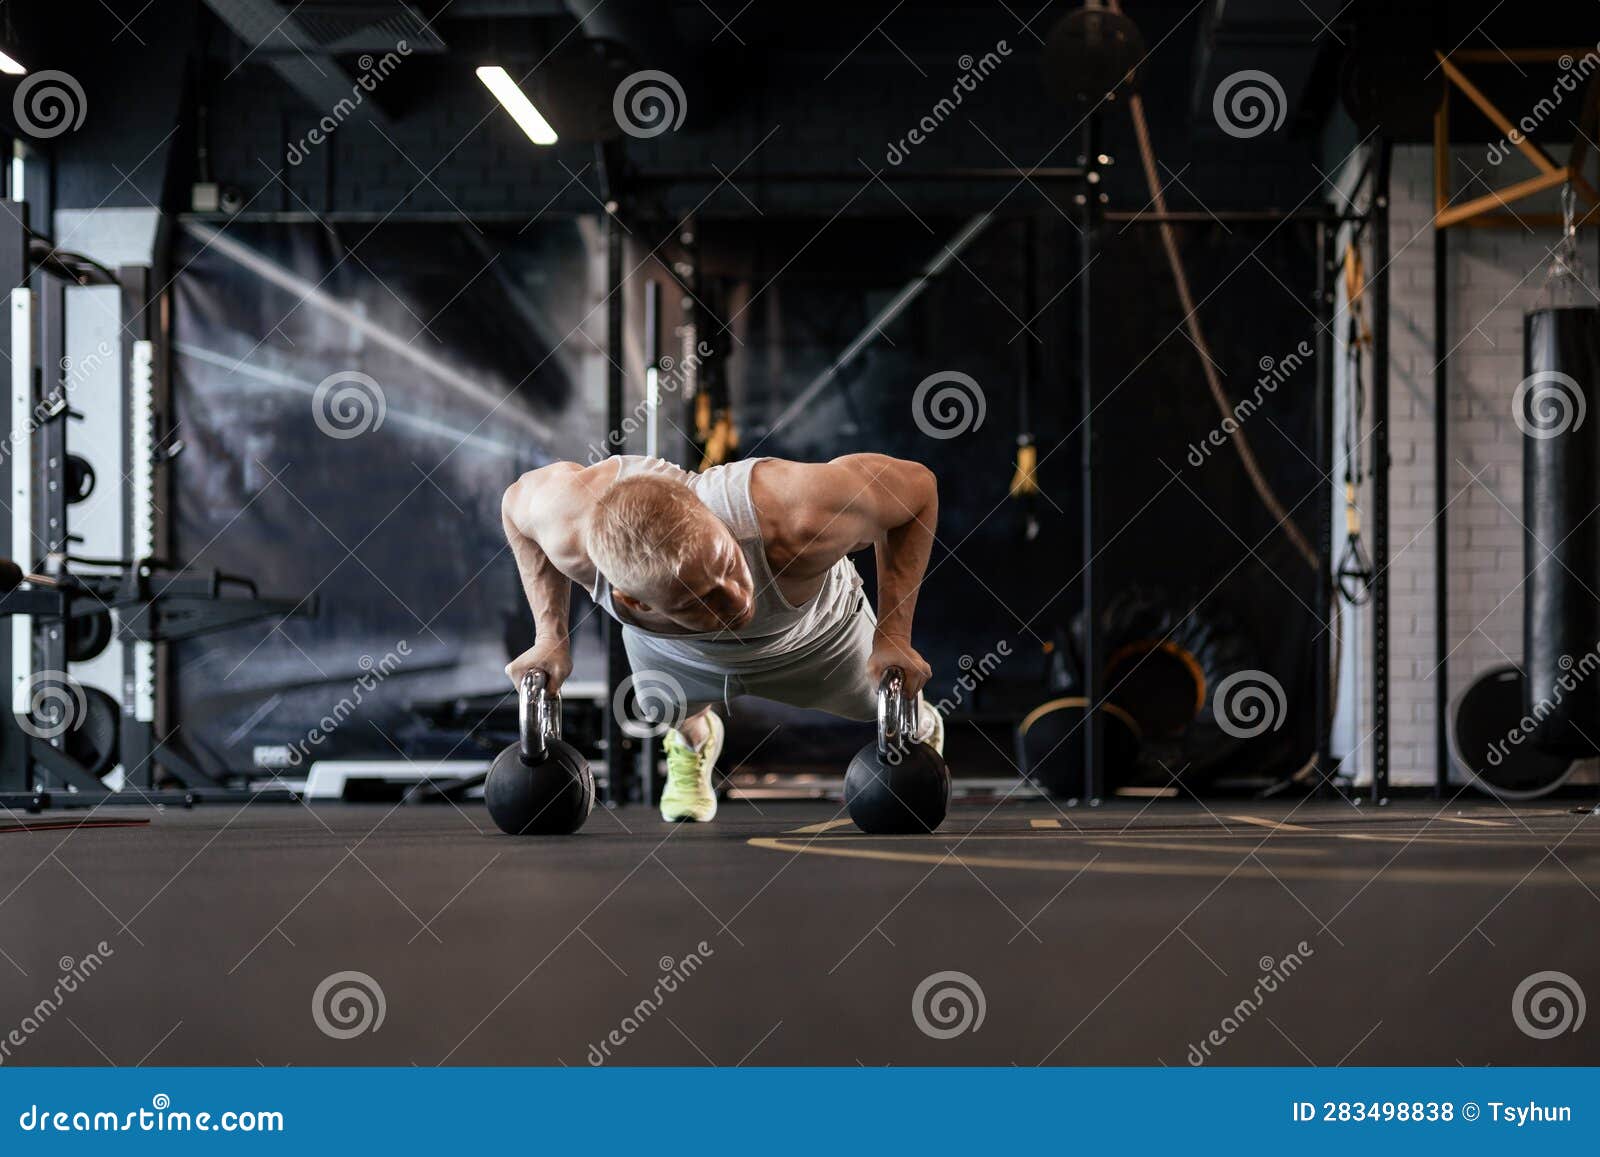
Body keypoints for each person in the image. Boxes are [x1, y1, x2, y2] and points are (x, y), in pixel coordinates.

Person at [501, 453, 942, 821]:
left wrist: (894, 635)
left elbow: (918, 490)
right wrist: (551, 638)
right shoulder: (568, 532)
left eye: (728, 564)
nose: (736, 599)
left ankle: (919, 722)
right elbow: (514, 507)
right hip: (675, 654)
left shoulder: (799, 516)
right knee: (662, 708)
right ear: (634, 601)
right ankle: (694, 741)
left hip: (816, 639)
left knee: (878, 705)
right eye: (702, 598)